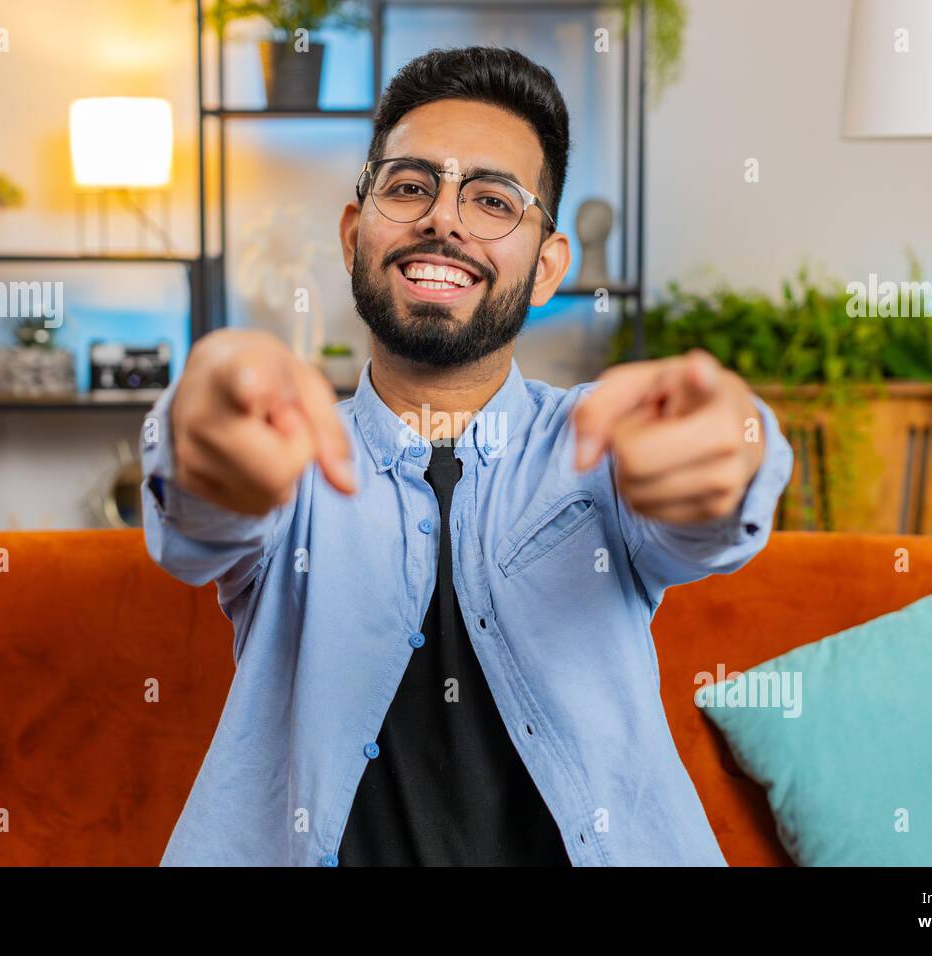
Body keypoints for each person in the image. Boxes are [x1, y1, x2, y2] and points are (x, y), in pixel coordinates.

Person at [142, 46, 794, 866]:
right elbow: (200, 520)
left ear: (549, 266)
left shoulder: (601, 446)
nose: (442, 220)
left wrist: (732, 452)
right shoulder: (286, 448)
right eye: (410, 187)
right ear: (354, 235)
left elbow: (713, 510)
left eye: (492, 199)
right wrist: (199, 444)